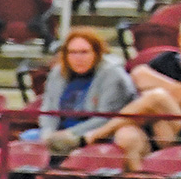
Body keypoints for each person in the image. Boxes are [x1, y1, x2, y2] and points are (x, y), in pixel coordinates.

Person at [59, 38, 181, 169]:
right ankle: (138, 178)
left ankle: (93, 136)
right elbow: (138, 75)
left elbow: (155, 94)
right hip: (158, 129)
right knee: (126, 135)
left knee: (156, 97)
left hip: (176, 132)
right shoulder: (168, 59)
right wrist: (173, 92)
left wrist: (161, 95)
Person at [37, 28, 136, 156]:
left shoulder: (113, 74)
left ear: (97, 53)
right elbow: (48, 110)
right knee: (27, 140)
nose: (78, 58)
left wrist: (69, 134)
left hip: (94, 135)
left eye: (84, 52)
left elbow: (106, 118)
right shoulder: (57, 73)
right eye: (72, 52)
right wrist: (48, 134)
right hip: (57, 133)